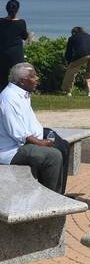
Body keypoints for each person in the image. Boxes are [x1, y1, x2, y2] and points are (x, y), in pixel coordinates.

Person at [0, 63, 71, 193]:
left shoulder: (23, 94)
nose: (37, 79)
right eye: (33, 76)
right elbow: (17, 133)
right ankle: (49, 200)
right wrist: (40, 142)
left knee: (63, 145)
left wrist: (43, 135)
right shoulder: (8, 98)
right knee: (53, 156)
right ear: (22, 81)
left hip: (30, 138)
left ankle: (59, 195)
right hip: (13, 150)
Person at [61, 27, 90, 97]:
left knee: (71, 71)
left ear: (73, 32)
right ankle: (89, 92)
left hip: (82, 53)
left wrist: (69, 62)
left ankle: (68, 91)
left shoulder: (72, 38)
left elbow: (68, 52)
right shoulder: (89, 36)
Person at [0, 0, 30, 92]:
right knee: (18, 78)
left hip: (2, 53)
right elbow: (25, 37)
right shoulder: (21, 22)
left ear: (6, 9)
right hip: (16, 55)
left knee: (2, 78)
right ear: (17, 10)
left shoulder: (0, 21)